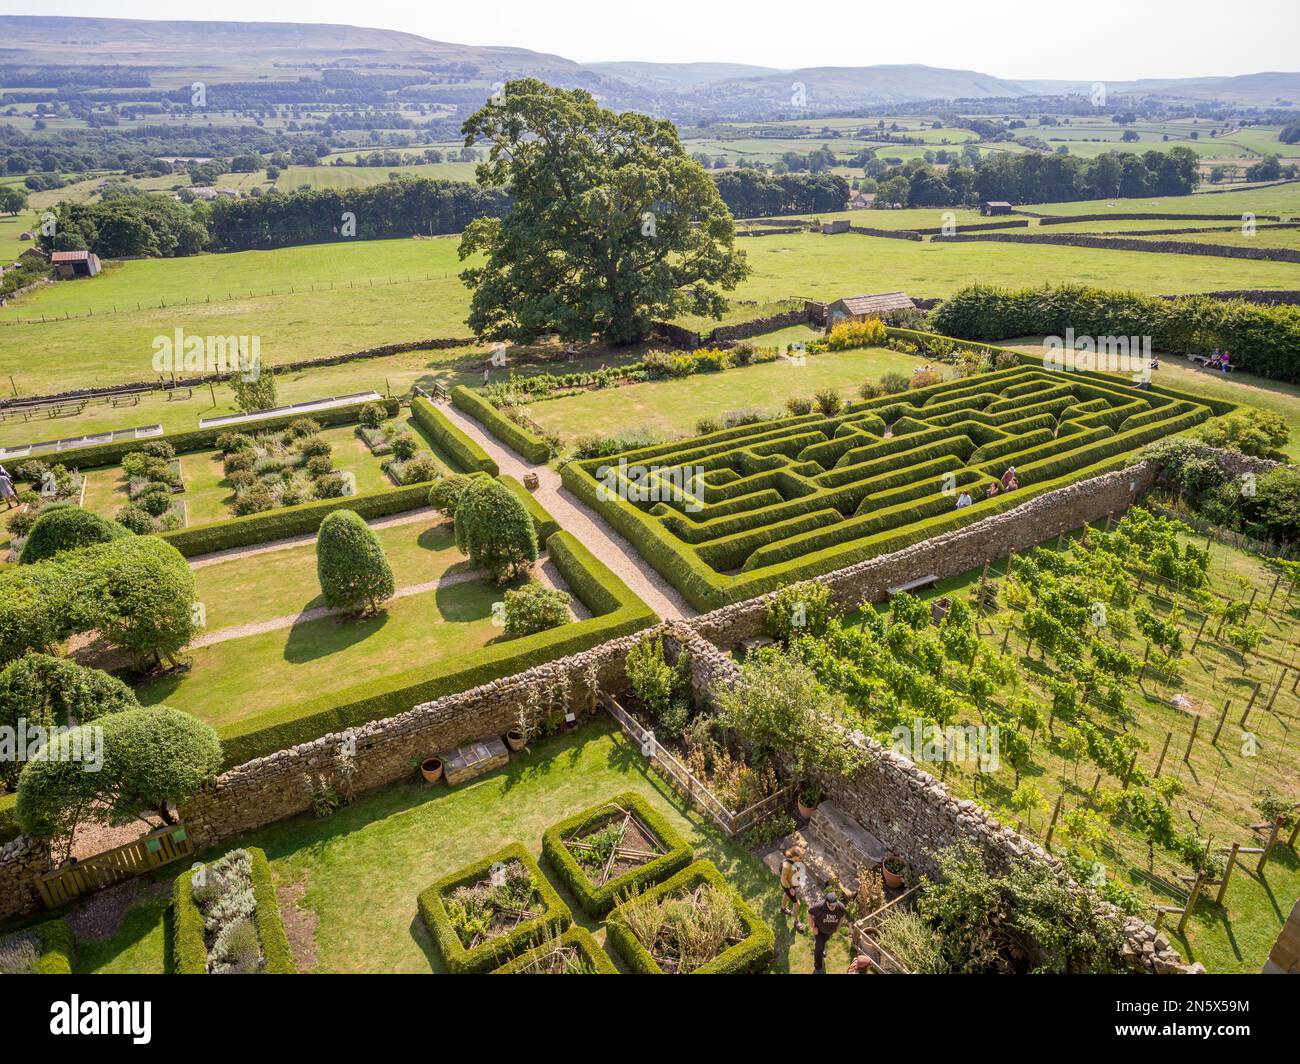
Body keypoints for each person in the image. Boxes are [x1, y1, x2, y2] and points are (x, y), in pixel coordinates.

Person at [808, 890, 848, 974]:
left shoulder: (840, 907)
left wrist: (838, 927)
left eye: (834, 905)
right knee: (819, 948)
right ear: (826, 903)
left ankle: (823, 946)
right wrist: (813, 927)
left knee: (824, 942)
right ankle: (818, 967)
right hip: (819, 931)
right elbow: (810, 912)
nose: (833, 908)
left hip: (830, 931)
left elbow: (843, 915)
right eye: (831, 906)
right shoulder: (819, 906)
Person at [779, 845, 807, 933]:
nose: (802, 859)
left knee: (786, 896)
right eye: (800, 857)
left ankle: (783, 908)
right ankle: (796, 921)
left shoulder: (795, 861)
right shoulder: (787, 866)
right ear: (795, 856)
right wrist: (790, 888)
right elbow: (783, 878)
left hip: (792, 883)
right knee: (797, 904)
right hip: (787, 885)